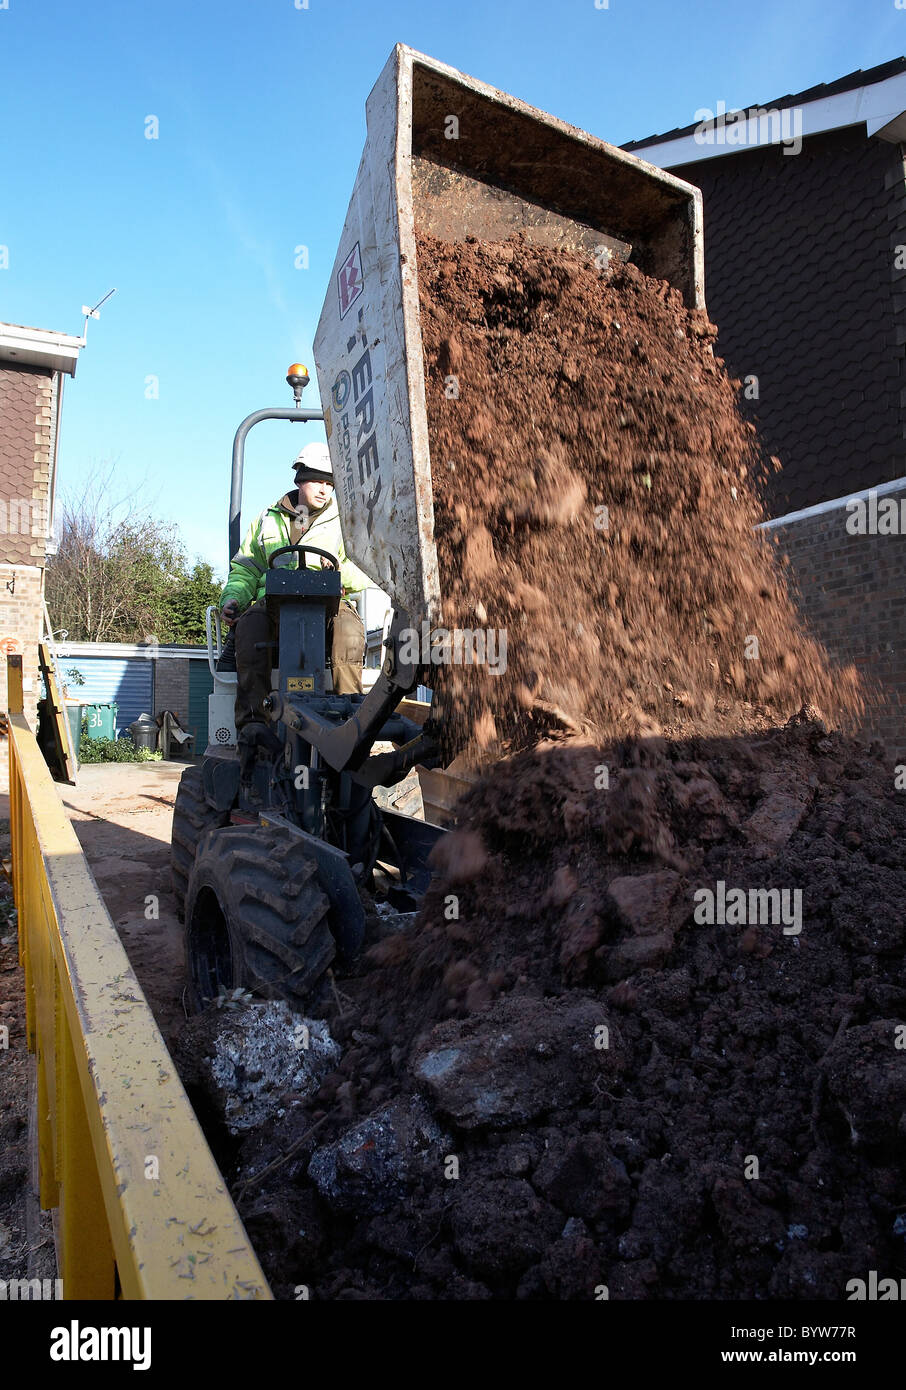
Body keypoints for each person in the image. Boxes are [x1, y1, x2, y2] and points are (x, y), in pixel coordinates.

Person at [219, 443, 368, 733]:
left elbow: (364, 568)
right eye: (317, 481)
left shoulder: (348, 522)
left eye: (330, 483)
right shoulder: (267, 519)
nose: (324, 490)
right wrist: (234, 597)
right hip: (273, 605)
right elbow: (247, 568)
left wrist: (339, 573)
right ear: (300, 479)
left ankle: (350, 723)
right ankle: (254, 727)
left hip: (328, 605)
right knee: (249, 627)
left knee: (349, 630)